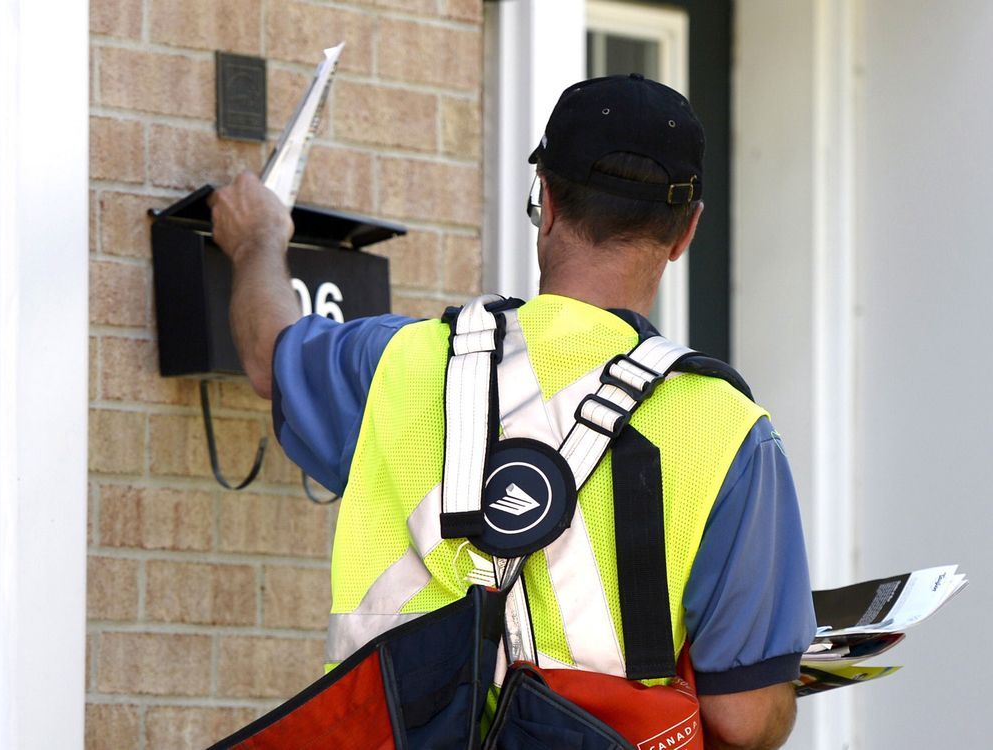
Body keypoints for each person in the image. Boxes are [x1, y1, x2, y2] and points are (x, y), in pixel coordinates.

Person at [209, 74, 817, 750]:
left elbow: (271, 353)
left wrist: (256, 241)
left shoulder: (401, 365)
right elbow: (746, 717)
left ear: (547, 203)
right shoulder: (730, 432)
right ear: (685, 233)